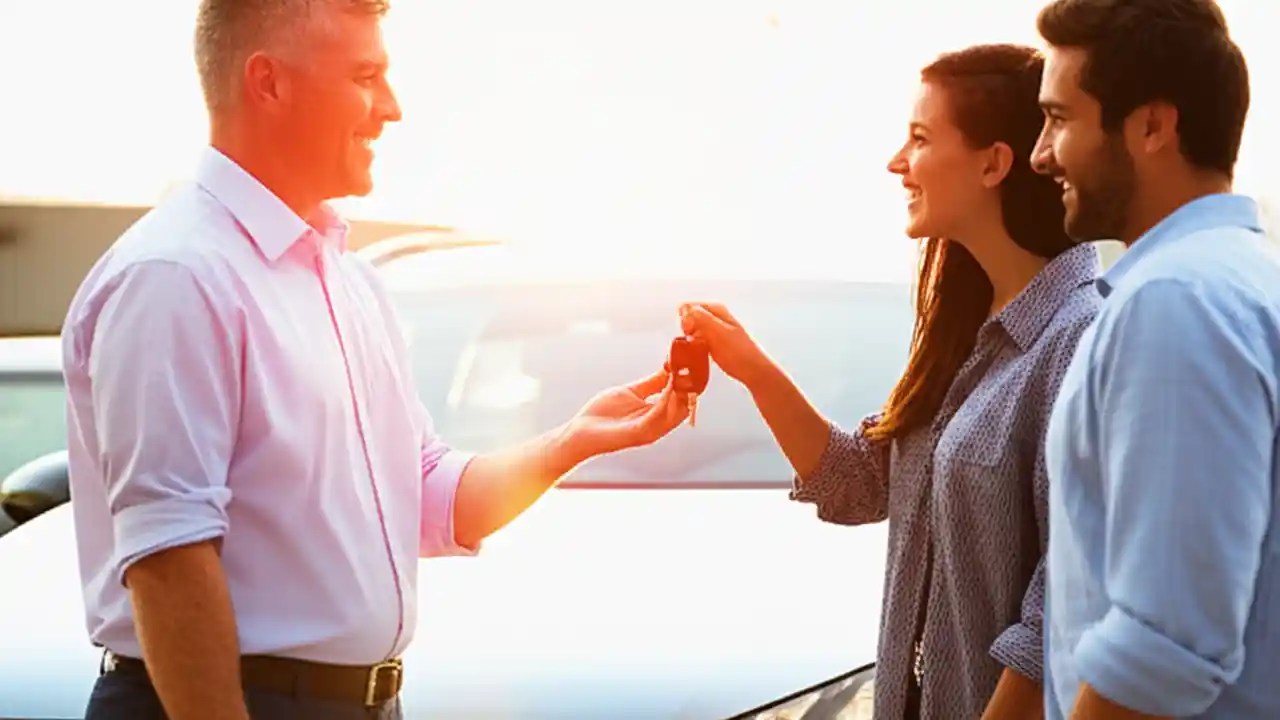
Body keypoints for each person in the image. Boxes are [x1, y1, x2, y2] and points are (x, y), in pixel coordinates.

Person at [62, 2, 688, 718]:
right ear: (268, 83)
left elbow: (425, 493)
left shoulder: (349, 282)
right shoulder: (176, 276)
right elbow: (168, 559)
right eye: (366, 77)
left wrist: (568, 443)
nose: (390, 109)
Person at [680, 44, 1101, 720]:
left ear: (995, 162)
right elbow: (859, 484)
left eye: (920, 138)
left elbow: (1061, 609)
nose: (896, 162)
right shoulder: (964, 333)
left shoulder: (1079, 340)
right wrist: (753, 371)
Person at [1031, 1, 1280, 718]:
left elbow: (1163, 650)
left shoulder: (1176, 302)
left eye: (1059, 119)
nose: (1042, 153)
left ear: (1152, 126)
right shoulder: (1240, 283)